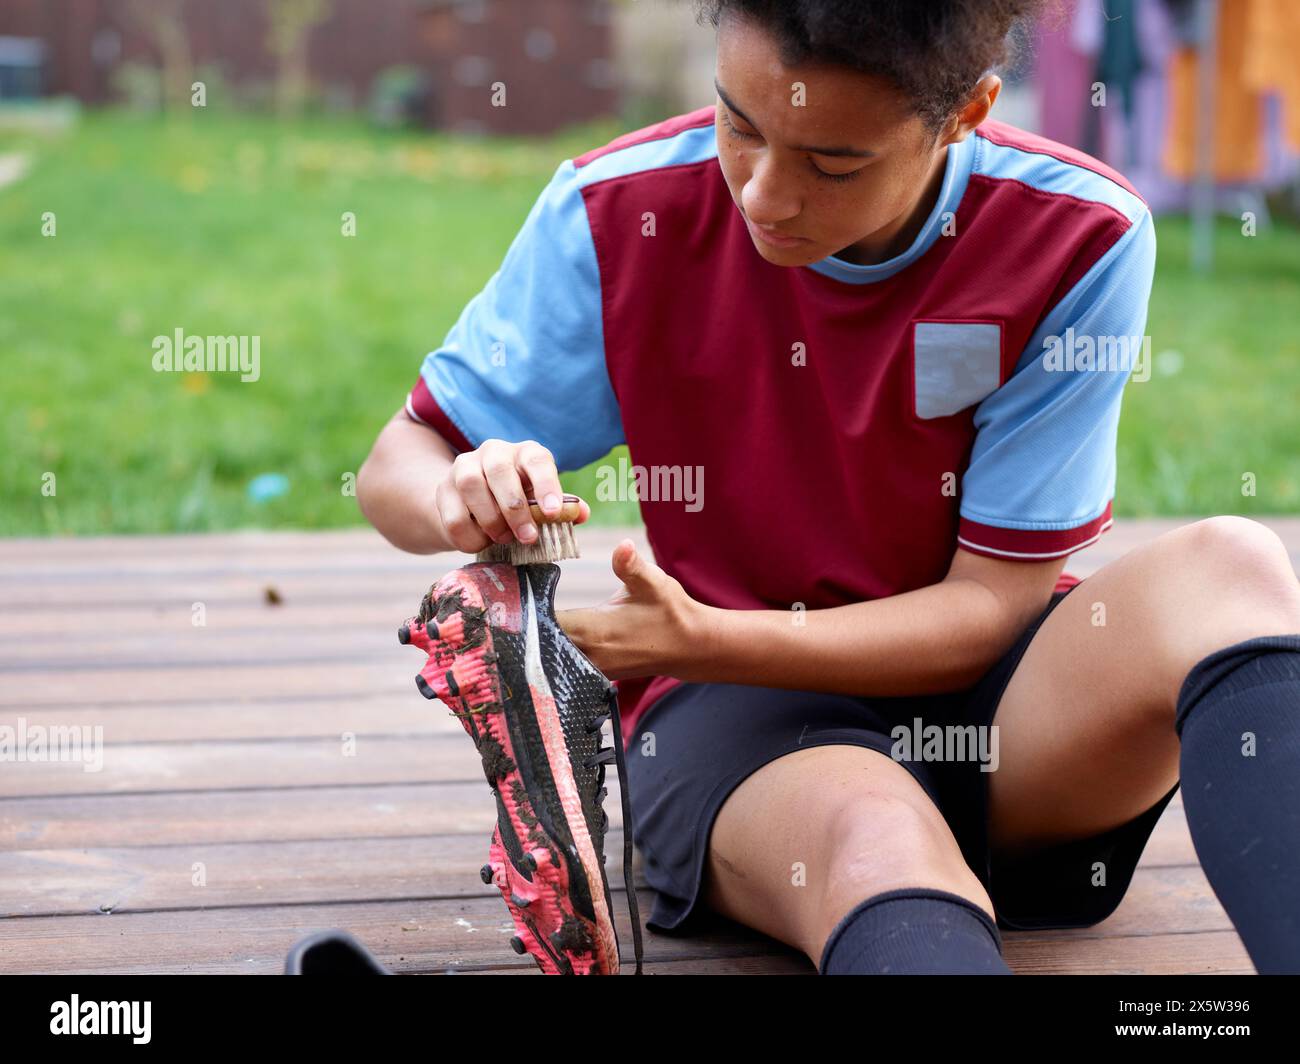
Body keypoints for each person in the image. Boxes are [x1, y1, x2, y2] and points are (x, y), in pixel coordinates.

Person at [358, 0, 1300, 974]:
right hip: (743, 715)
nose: (763, 195)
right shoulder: (616, 209)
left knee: (1234, 562)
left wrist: (702, 632)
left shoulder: (1077, 234)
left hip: (991, 702)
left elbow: (988, 603)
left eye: (832, 162)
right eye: (738, 123)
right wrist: (459, 494)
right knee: (875, 835)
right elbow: (402, 457)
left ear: (966, 112)